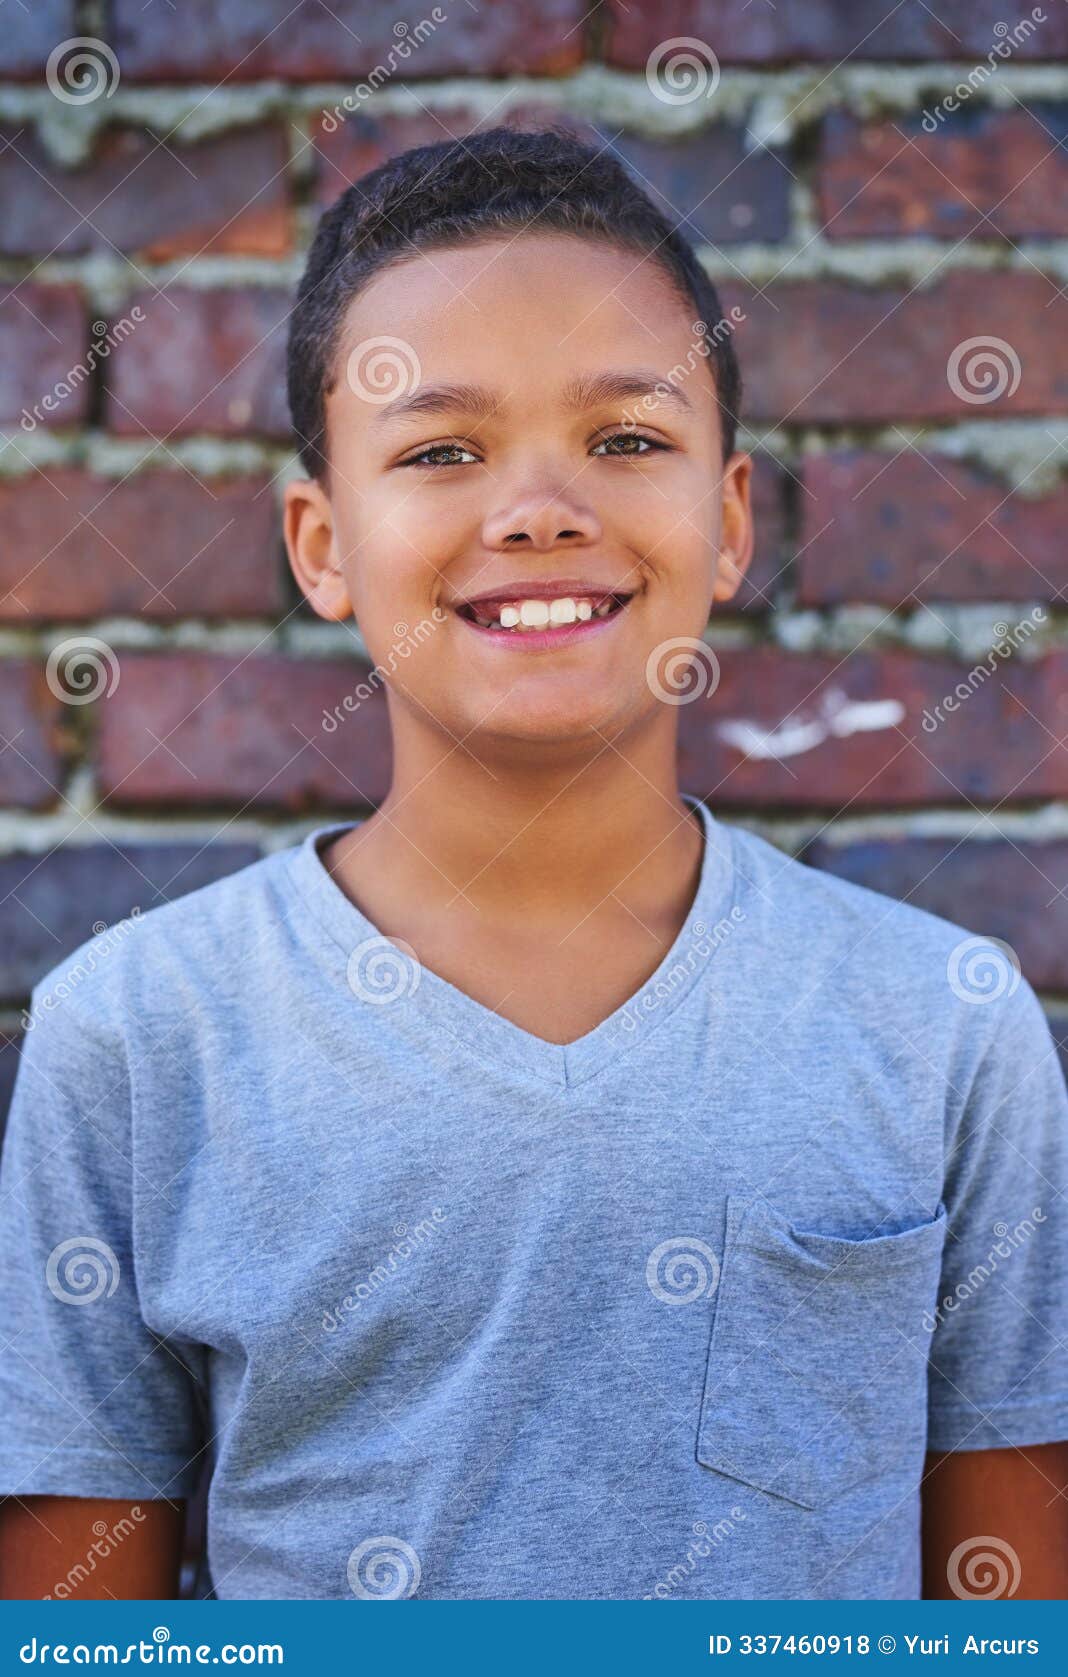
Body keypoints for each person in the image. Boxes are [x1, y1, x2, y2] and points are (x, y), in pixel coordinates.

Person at [1, 127, 1066, 1601]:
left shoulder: (942, 1022)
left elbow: (1011, 1613)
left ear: (733, 515)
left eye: (627, 439)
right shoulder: (136, 1035)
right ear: (321, 542)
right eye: (441, 450)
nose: (541, 508)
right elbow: (75, 1634)